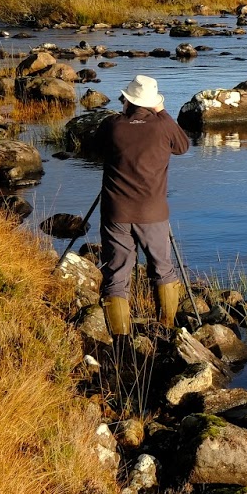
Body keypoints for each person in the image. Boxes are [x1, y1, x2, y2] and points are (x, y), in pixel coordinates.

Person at [96, 74, 191, 340]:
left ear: (127, 100)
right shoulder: (163, 127)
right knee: (163, 268)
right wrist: (161, 111)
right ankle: (168, 326)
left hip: (116, 211)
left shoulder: (113, 125)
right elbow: (182, 146)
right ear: (152, 103)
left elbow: (93, 148)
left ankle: (121, 340)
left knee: (117, 273)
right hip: (153, 213)